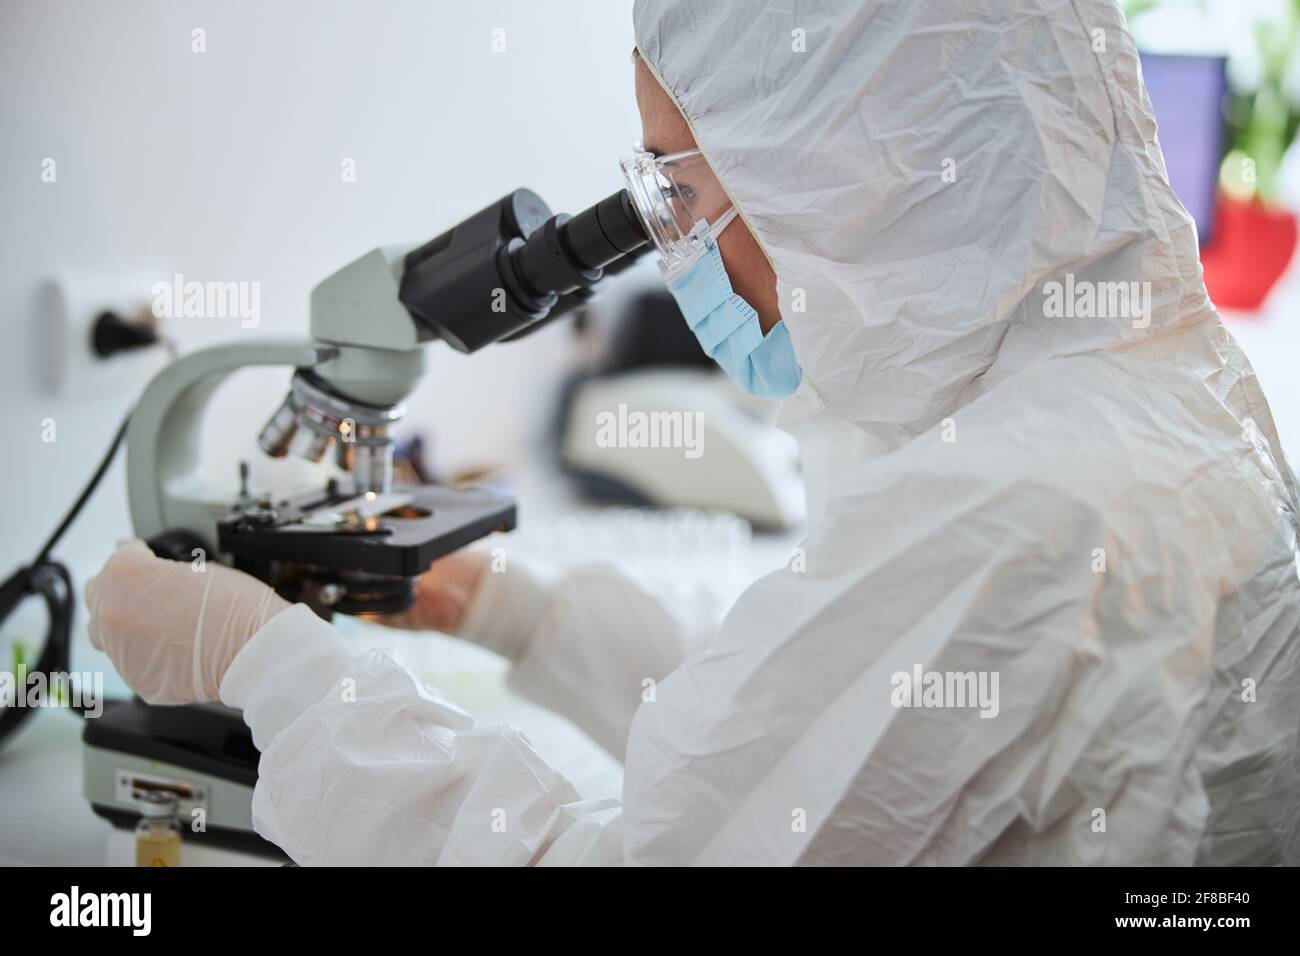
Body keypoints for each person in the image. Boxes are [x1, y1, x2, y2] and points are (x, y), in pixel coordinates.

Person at [86, 0, 1300, 865]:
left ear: (849, 168)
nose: (670, 245)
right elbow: (812, 747)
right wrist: (515, 612)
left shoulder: (1010, 507)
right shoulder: (1135, 390)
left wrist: (273, 669)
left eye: (677, 185)